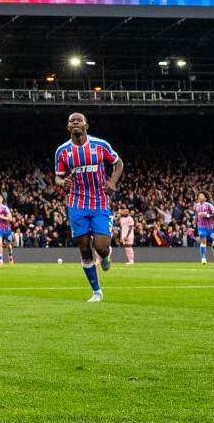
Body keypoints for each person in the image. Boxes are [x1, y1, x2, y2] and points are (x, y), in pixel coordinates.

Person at [53, 112, 124, 303]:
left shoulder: (100, 145)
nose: (75, 122)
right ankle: (97, 292)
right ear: (68, 127)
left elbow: (118, 163)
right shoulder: (62, 151)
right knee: (84, 248)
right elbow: (58, 177)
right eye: (71, 121)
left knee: (100, 247)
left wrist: (113, 180)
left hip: (100, 202)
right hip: (76, 204)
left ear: (86, 125)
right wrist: (62, 183)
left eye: (79, 120)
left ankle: (106, 255)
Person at [193, 192, 214, 263]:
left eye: (201, 196)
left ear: (205, 198)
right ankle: (203, 258)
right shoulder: (196, 206)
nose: (200, 197)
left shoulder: (209, 205)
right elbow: (196, 213)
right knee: (203, 241)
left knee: (210, 240)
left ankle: (213, 245)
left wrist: (207, 216)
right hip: (201, 226)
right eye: (199, 196)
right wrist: (195, 220)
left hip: (210, 227)